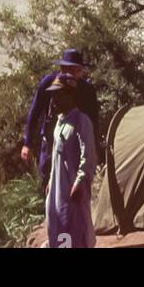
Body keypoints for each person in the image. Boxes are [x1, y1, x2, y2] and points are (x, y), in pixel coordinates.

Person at [22, 49, 101, 185]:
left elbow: (93, 120)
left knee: (71, 181)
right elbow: (35, 112)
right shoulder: (49, 83)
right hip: (50, 139)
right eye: (68, 68)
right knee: (47, 178)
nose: (72, 73)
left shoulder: (87, 91)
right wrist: (27, 144)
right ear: (62, 68)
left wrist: (94, 148)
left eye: (76, 69)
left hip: (74, 143)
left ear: (81, 70)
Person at [44, 76, 97, 249]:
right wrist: (51, 181)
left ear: (69, 96)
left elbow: (88, 155)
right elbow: (55, 158)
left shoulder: (81, 121)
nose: (54, 100)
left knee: (74, 229)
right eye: (53, 96)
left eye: (58, 95)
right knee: (58, 227)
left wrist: (80, 181)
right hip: (58, 188)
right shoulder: (60, 122)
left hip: (72, 189)